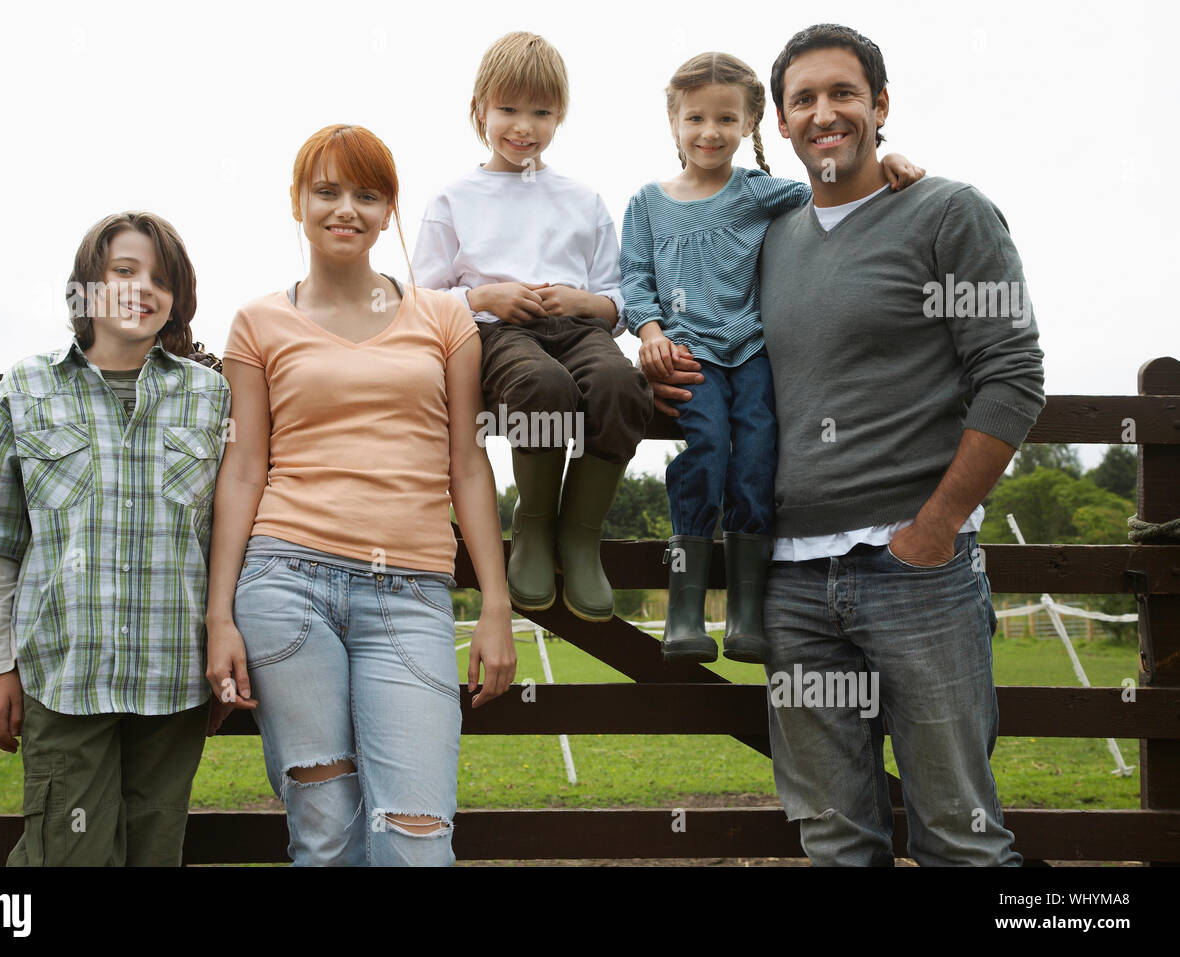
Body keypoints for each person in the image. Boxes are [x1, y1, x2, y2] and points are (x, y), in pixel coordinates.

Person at [647, 23, 1044, 866]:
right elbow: (706, 315)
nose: (824, 113)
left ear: (881, 107)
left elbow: (1013, 376)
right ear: (780, 126)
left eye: (843, 94)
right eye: (804, 101)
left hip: (918, 571)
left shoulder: (946, 212)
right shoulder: (768, 236)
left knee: (959, 835)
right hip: (788, 581)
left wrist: (934, 529)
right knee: (834, 839)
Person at [206, 124, 515, 866]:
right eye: (327, 190)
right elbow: (244, 468)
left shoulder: (445, 317)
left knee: (415, 839)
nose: (346, 208)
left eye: (367, 194)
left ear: (388, 210)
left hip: (411, 594)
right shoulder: (258, 323)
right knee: (326, 832)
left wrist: (498, 606)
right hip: (285, 585)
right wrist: (219, 613)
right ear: (296, 203)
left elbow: (468, 465)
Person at [0, 211, 230, 865]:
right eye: (124, 270)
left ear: (177, 298)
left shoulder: (212, 399)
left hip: (174, 680)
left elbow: (227, 538)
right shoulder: (28, 388)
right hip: (65, 676)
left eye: (160, 278)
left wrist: (224, 655)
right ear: (88, 286)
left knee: (155, 849)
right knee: (68, 852)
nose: (141, 287)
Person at [621, 51, 923, 664]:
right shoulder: (649, 202)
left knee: (757, 459)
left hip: (753, 350)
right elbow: (633, 278)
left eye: (727, 120)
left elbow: (835, 184)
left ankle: (746, 616)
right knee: (708, 452)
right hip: (690, 355)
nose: (710, 132)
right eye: (696, 119)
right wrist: (651, 334)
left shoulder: (763, 193)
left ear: (752, 125)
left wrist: (887, 156)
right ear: (674, 123)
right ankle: (682, 613)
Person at [413, 30, 653, 622]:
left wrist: (583, 302)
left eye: (541, 112)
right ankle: (535, 525)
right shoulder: (453, 197)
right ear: (480, 111)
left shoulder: (583, 198)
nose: (524, 126)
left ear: (560, 116)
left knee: (622, 387)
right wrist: (484, 295)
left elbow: (618, 297)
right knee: (543, 388)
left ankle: (579, 532)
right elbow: (421, 297)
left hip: (578, 330)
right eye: (509, 109)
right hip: (499, 333)